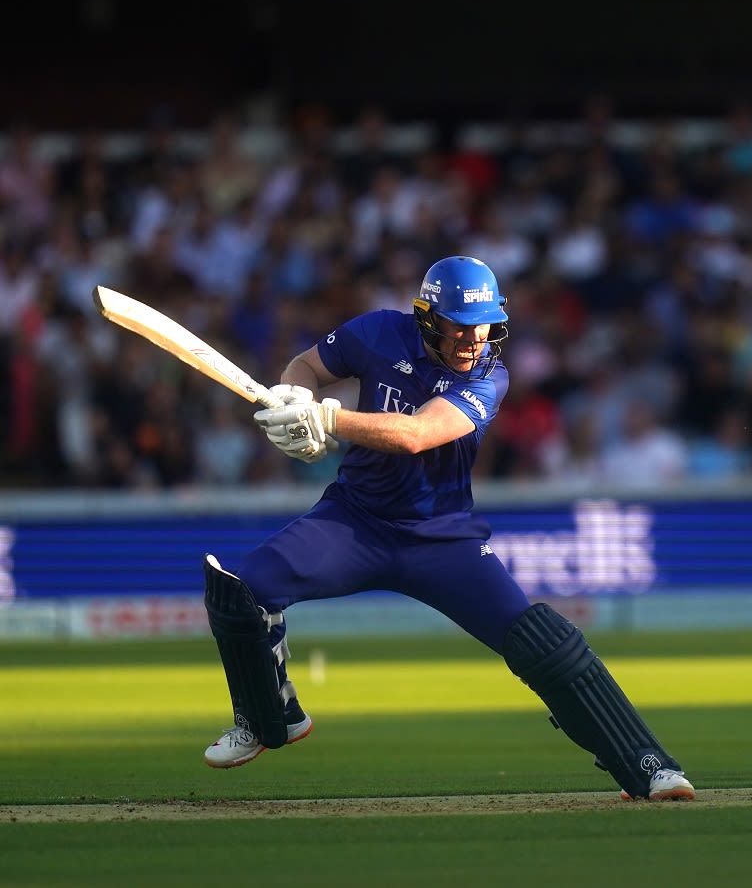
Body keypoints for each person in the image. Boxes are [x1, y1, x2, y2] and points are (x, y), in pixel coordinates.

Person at [200, 254, 695, 801]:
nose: (473, 340)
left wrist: (326, 418)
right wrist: (295, 395)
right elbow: (305, 365)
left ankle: (647, 765)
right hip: (354, 520)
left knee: (543, 642)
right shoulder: (379, 332)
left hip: (441, 538)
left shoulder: (489, 376)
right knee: (242, 590)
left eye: (484, 327)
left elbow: (416, 434)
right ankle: (269, 718)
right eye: (459, 327)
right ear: (426, 318)